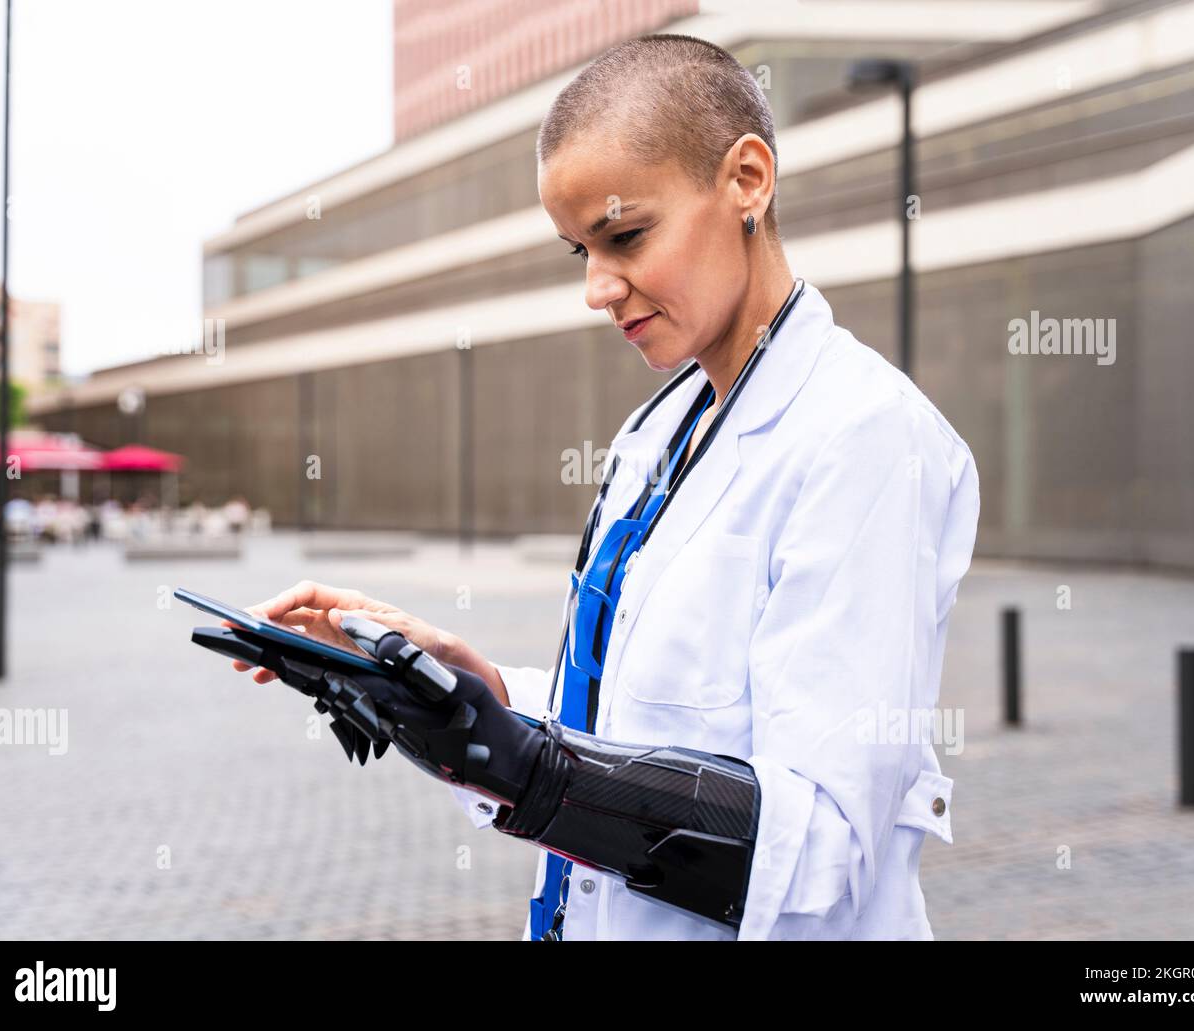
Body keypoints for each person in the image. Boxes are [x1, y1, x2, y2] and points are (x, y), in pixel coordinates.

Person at [231, 33, 978, 940]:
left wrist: (526, 772)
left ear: (747, 179)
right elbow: (644, 717)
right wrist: (479, 691)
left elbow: (819, 848)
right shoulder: (653, 432)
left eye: (625, 236)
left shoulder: (867, 438)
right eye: (578, 249)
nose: (596, 287)